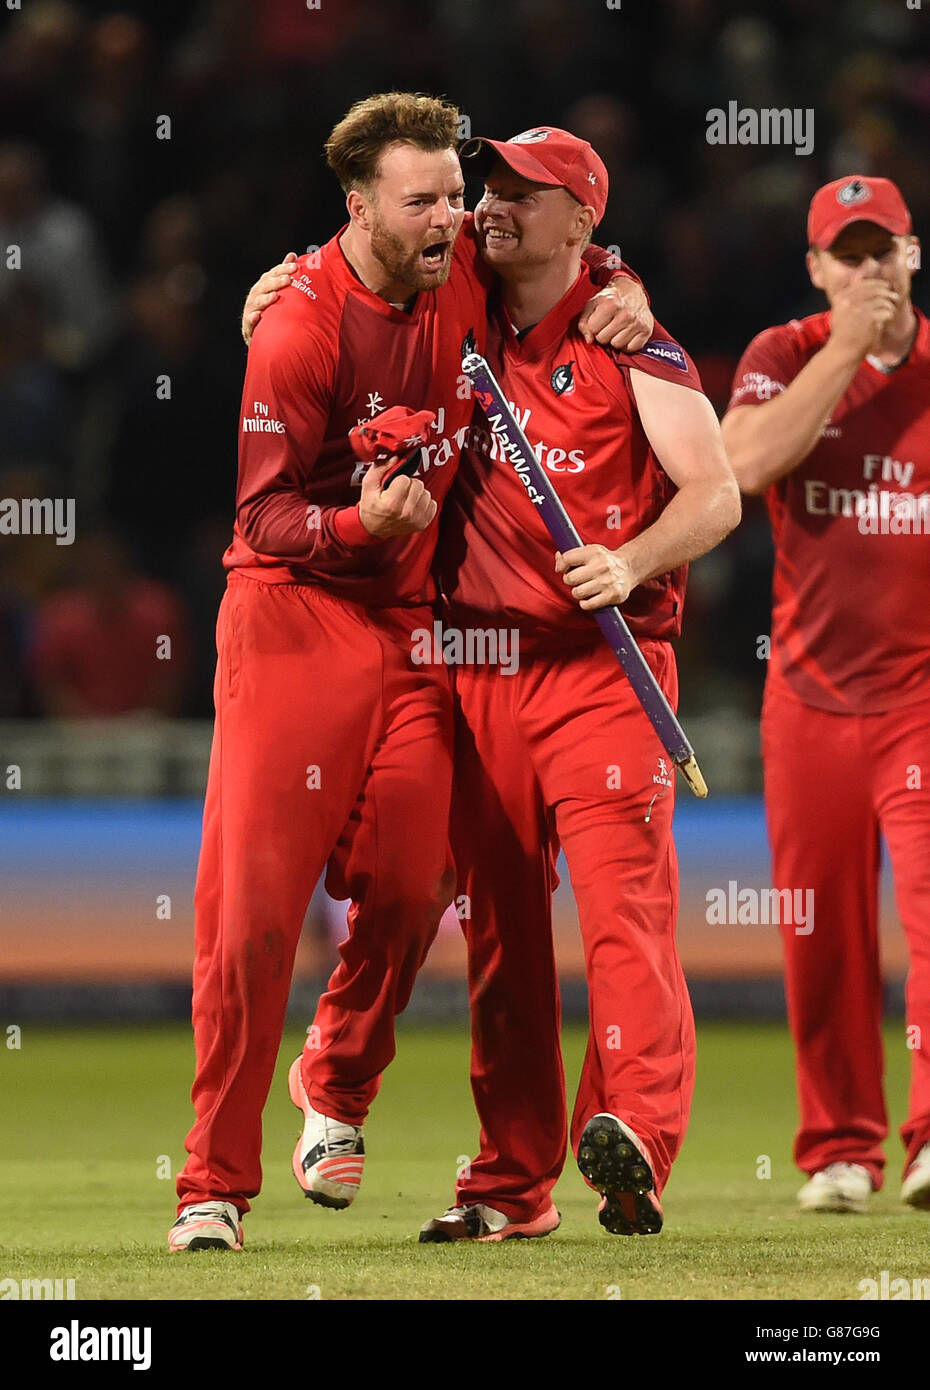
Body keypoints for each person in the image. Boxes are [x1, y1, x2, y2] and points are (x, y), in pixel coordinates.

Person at [172, 92, 651, 1253]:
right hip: (295, 618)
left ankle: (331, 1077)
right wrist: (355, 529)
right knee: (250, 921)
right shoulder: (298, 326)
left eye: (455, 195)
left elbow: (560, 252)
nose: (452, 220)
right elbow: (261, 514)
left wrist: (622, 284)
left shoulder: (465, 279)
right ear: (358, 206)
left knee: (417, 872)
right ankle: (211, 1186)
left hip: (416, 629)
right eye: (423, 200)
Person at [414, 129, 739, 1241]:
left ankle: (636, 1136)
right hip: (477, 670)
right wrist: (283, 284)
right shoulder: (452, 311)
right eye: (488, 188)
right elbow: (367, 244)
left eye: (521, 194)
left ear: (583, 224)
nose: (491, 206)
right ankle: (512, 1183)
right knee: (500, 935)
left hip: (606, 670)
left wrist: (635, 558)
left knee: (623, 920)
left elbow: (718, 494)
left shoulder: (636, 346)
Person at [721, 176, 930, 1214]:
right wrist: (848, 348)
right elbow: (745, 462)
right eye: (847, 257)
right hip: (806, 697)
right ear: (817, 271)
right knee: (821, 933)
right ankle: (839, 1150)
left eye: (882, 250)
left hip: (922, 698)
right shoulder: (783, 356)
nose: (868, 272)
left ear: (914, 255)